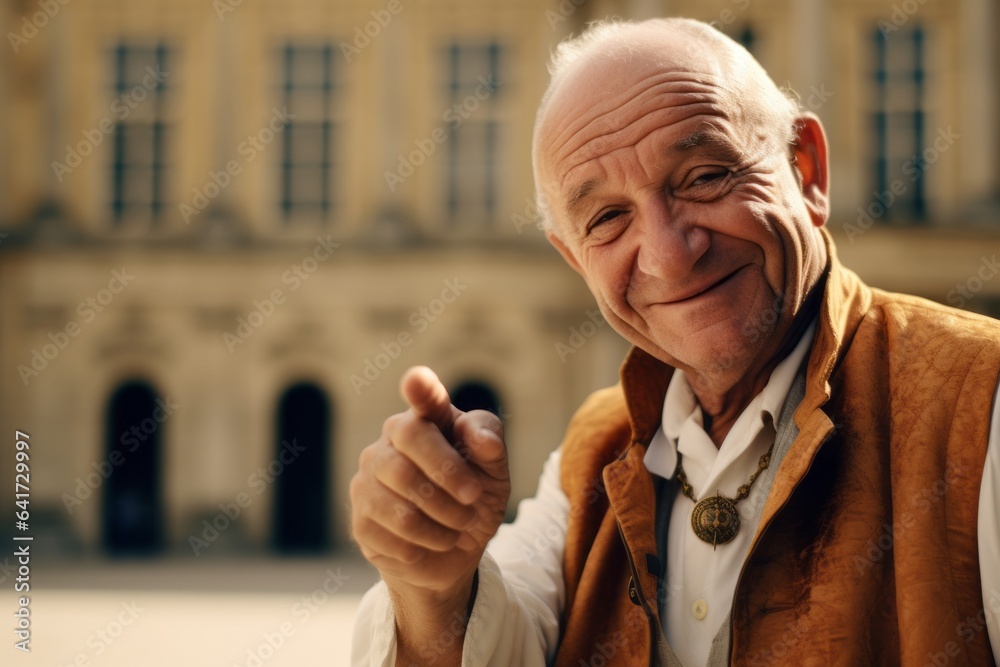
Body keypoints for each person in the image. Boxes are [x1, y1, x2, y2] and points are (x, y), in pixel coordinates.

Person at [351, 17, 1000, 666]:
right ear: (575, 260)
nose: (668, 255)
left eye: (704, 176)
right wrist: (431, 584)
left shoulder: (982, 403)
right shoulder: (596, 447)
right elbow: (501, 641)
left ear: (806, 171)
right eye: (607, 218)